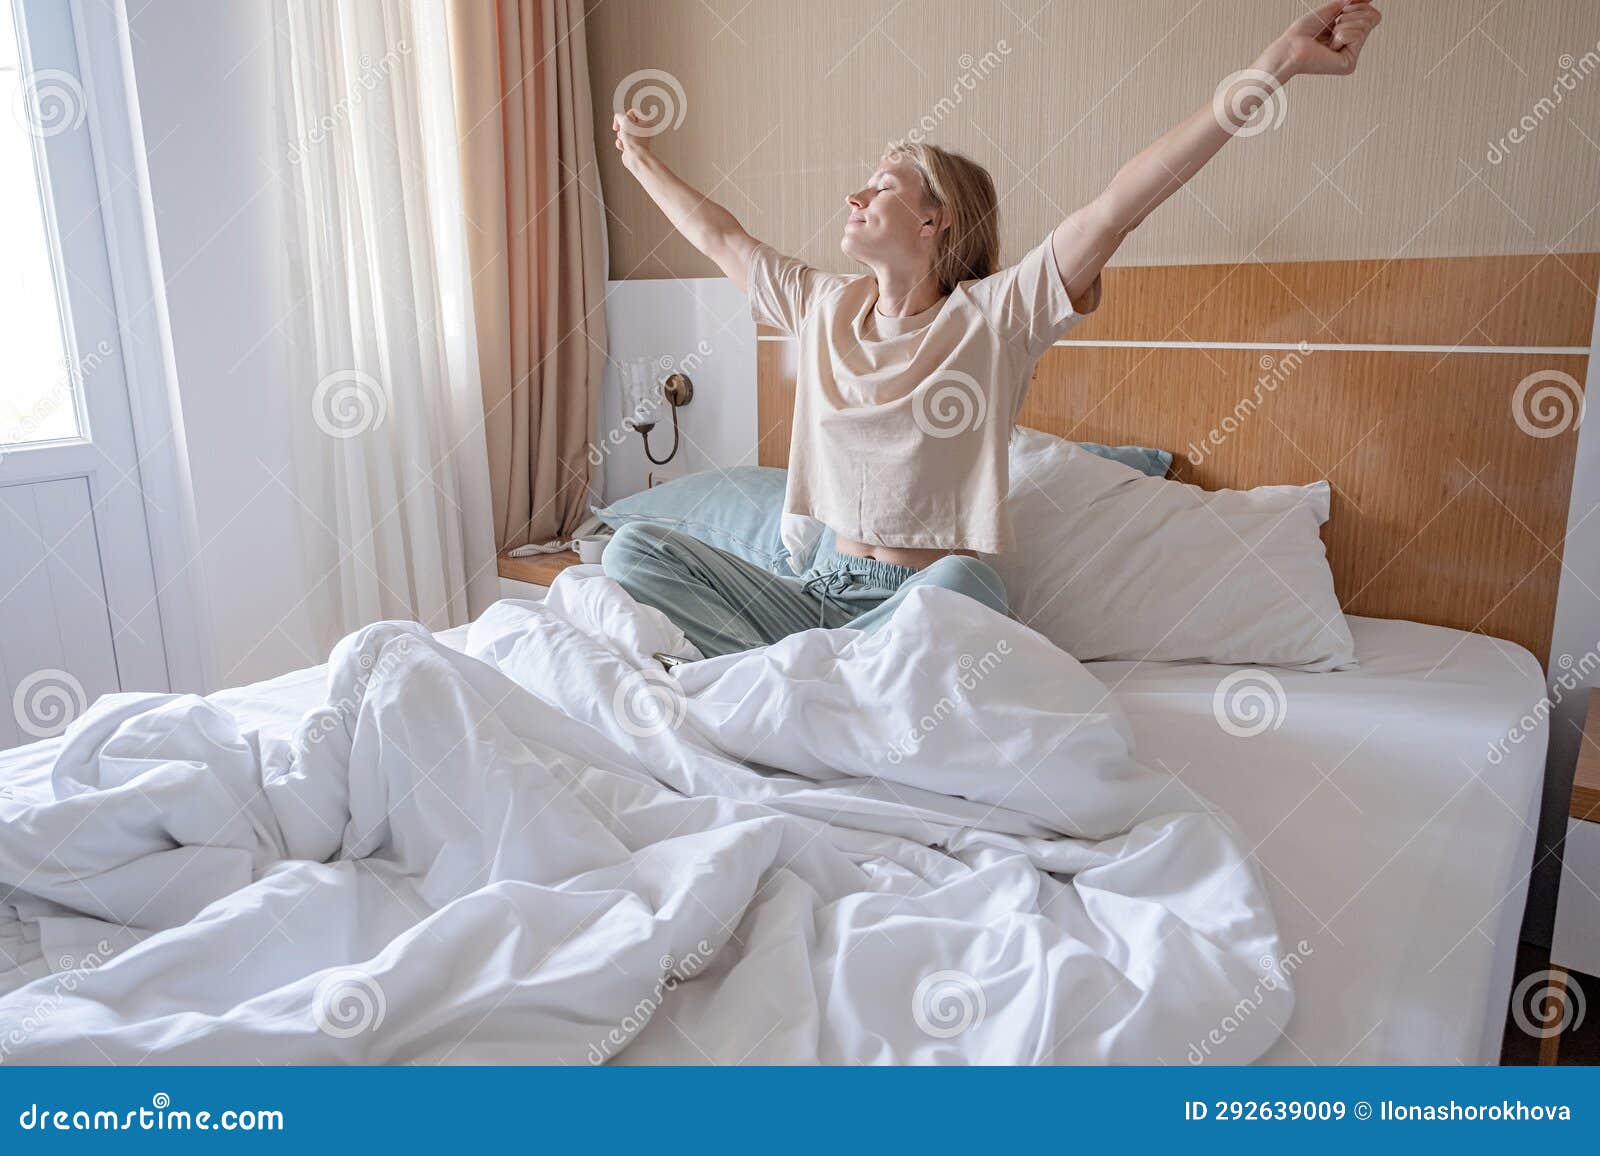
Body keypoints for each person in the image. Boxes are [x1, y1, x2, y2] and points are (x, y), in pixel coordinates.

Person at [606, 1, 1382, 660]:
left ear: (934, 219)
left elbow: (1123, 203)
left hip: (924, 604)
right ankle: (820, 680)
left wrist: (1278, 62)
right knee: (631, 550)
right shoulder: (821, 309)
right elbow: (721, 237)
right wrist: (638, 161)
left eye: (882, 185)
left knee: (967, 582)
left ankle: (820, 683)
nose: (855, 194)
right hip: (817, 600)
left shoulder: (997, 316)